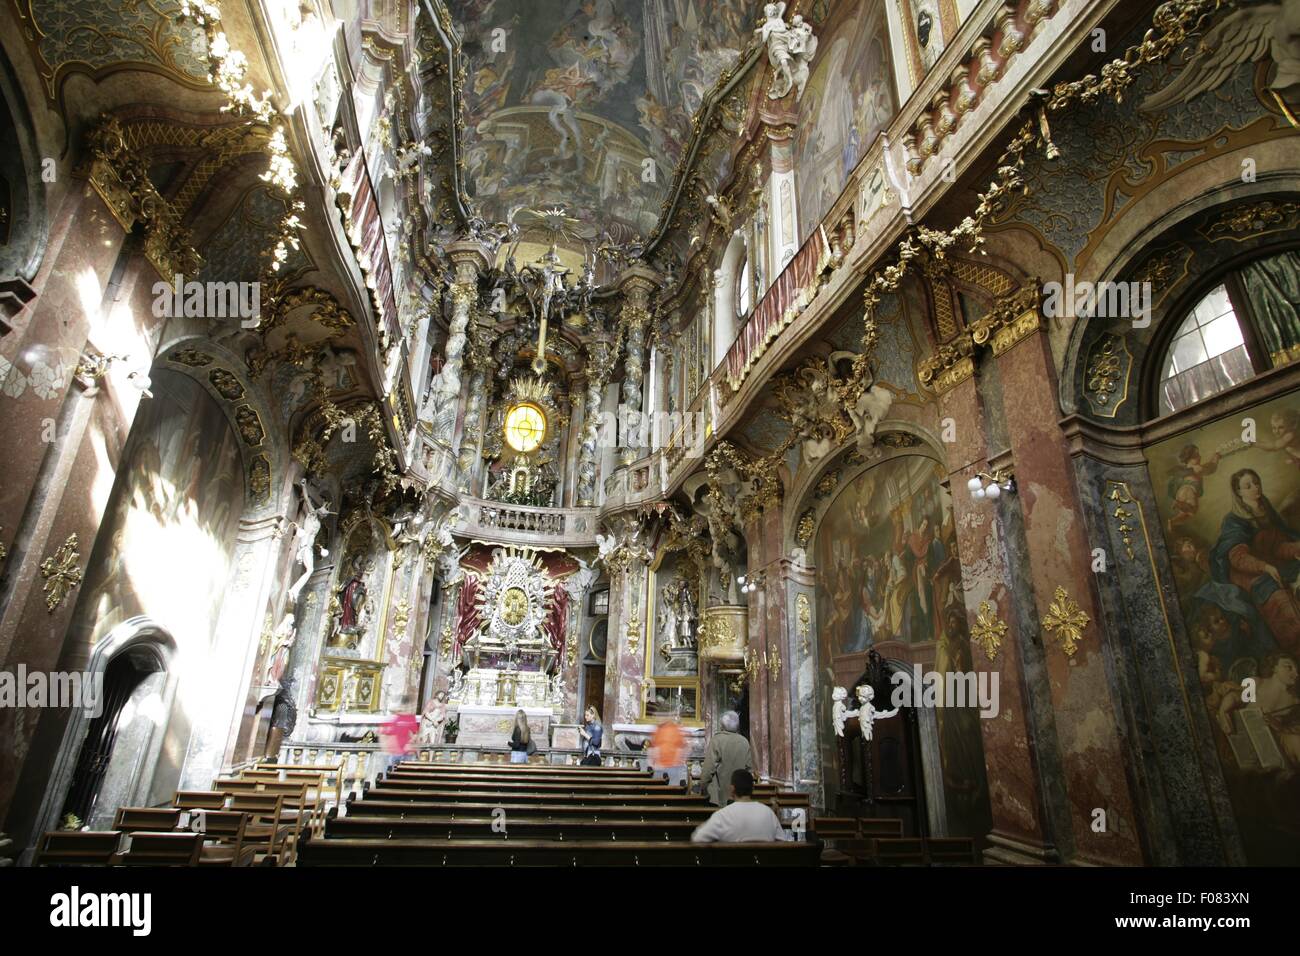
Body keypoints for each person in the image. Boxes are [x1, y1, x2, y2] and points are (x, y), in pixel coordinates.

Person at [691, 770, 790, 843]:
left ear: (732, 789)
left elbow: (698, 838)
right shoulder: (768, 813)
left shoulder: (723, 815)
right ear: (753, 789)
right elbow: (782, 841)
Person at [698, 710, 752, 806]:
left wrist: (703, 785)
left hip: (719, 796)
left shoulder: (717, 740)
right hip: (739, 794)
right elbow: (749, 769)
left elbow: (708, 768)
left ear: (722, 725)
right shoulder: (744, 742)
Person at [650, 716, 687, 786]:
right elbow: (681, 749)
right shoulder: (675, 729)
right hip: (670, 767)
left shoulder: (660, 729)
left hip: (666, 767)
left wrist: (655, 764)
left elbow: (655, 749)